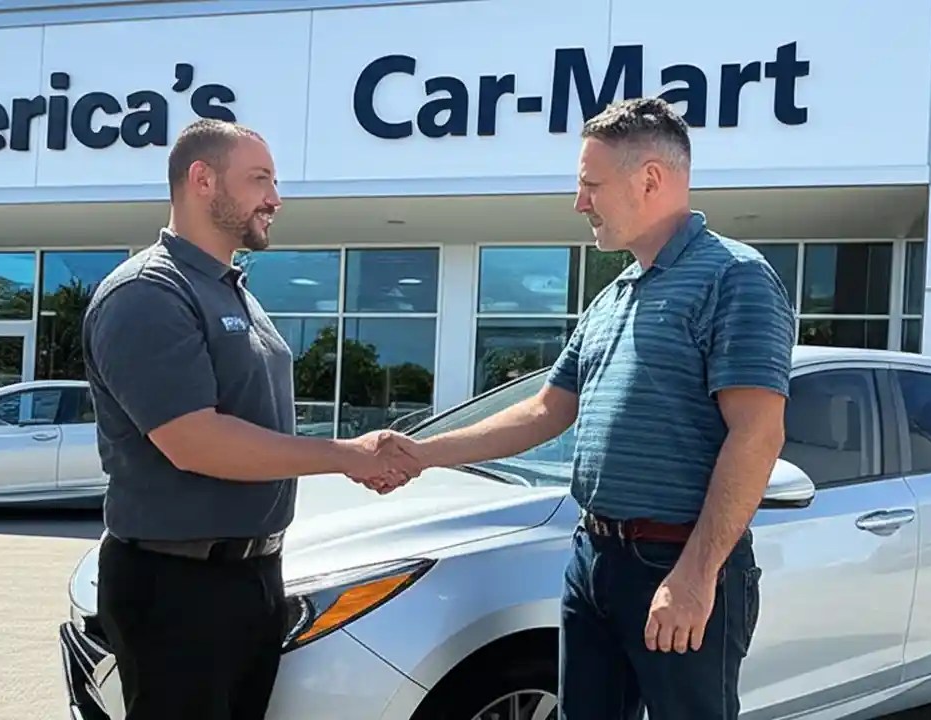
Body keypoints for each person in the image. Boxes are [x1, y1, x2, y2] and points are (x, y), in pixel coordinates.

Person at [361, 97, 795, 718]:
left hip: (674, 562)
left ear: (650, 179)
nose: (579, 202)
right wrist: (424, 453)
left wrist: (696, 577)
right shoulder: (615, 295)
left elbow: (757, 435)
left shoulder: (736, 278)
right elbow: (543, 411)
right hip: (593, 559)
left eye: (591, 184)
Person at [81, 118, 419, 720]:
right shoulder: (148, 293)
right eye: (259, 179)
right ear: (202, 180)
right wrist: (346, 455)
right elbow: (196, 441)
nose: (275, 198)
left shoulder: (233, 291)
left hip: (252, 577)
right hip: (177, 588)